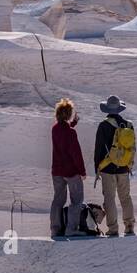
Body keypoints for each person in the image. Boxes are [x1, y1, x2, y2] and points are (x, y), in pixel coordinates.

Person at [93, 95, 136, 237]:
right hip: (124, 167)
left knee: (109, 198)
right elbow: (132, 148)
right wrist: (129, 165)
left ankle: (113, 229)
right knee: (125, 197)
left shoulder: (103, 125)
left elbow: (98, 148)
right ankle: (129, 225)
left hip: (107, 168)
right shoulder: (128, 125)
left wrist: (97, 168)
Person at [50, 98, 87, 238]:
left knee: (58, 200)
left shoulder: (54, 129)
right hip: (71, 172)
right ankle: (71, 229)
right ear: (68, 114)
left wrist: (74, 123)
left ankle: (55, 229)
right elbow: (76, 153)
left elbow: (64, 131)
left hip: (57, 171)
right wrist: (82, 172)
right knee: (76, 200)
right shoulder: (71, 133)